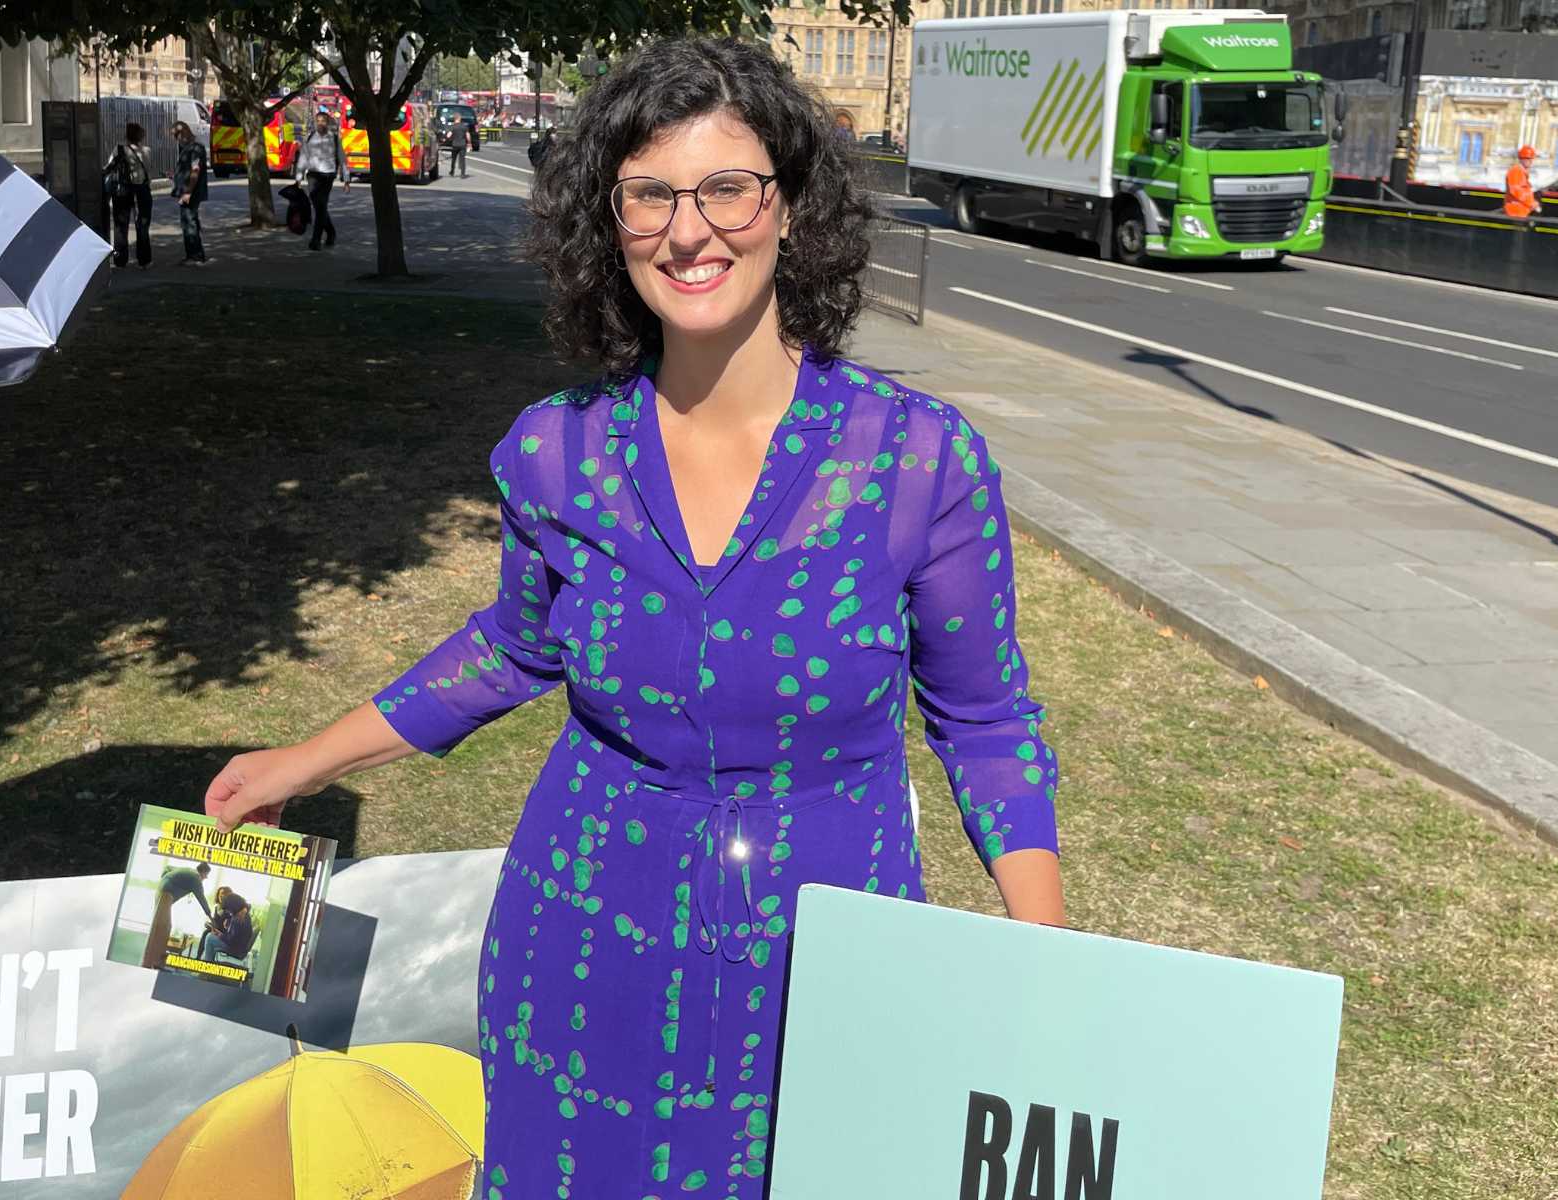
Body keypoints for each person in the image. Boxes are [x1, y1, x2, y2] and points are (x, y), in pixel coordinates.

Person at [201, 36, 1062, 1193]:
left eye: (726, 188)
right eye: (648, 194)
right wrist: (302, 763)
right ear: (609, 225)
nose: (688, 230)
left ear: (792, 209)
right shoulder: (557, 450)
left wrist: (1041, 948)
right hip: (586, 930)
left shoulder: (916, 459)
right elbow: (512, 646)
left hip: (833, 939)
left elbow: (987, 721)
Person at [141, 862, 213, 969]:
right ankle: (148, 963)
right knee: (160, 929)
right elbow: (202, 899)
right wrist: (211, 917)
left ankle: (157, 961)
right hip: (166, 895)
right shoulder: (195, 878)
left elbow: (167, 868)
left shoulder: (188, 870)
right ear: (203, 872)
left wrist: (165, 881)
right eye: (206, 875)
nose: (205, 878)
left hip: (164, 893)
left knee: (165, 927)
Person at [105, 123, 154, 269]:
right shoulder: (146, 151)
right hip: (142, 190)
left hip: (123, 190)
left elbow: (109, 167)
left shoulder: (118, 149)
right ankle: (144, 260)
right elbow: (149, 169)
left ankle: (120, 260)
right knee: (142, 225)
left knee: (121, 225)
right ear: (140, 135)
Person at [296, 114, 348, 252]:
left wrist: (346, 179)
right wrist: (298, 177)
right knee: (319, 206)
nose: (320, 123)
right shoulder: (310, 137)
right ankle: (331, 232)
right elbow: (303, 157)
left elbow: (342, 159)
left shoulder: (335, 138)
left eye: (323, 121)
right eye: (318, 121)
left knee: (321, 206)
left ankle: (316, 240)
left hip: (327, 175)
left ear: (327, 122)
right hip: (312, 174)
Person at [171, 119, 209, 265]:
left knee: (189, 223)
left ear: (183, 133)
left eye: (176, 136)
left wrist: (188, 192)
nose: (176, 140)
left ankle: (195, 255)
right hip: (188, 191)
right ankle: (193, 254)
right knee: (189, 222)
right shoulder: (190, 148)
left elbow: (195, 170)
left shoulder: (195, 149)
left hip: (191, 193)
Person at [1504, 144, 1540, 218]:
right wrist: (1531, 203)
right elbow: (1516, 191)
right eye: (1527, 158)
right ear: (1521, 159)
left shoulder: (1522, 172)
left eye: (1531, 159)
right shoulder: (1516, 171)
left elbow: (1524, 190)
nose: (1530, 161)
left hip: (1522, 212)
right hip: (1515, 212)